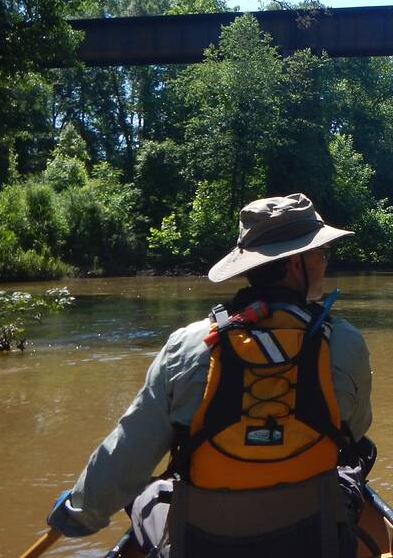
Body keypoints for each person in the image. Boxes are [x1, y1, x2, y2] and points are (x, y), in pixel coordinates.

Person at [46, 193, 373, 557]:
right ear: (297, 264)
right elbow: (357, 429)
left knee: (147, 493)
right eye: (321, 254)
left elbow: (128, 452)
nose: (325, 264)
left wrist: (80, 511)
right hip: (313, 544)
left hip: (206, 546)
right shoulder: (345, 343)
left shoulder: (187, 345)